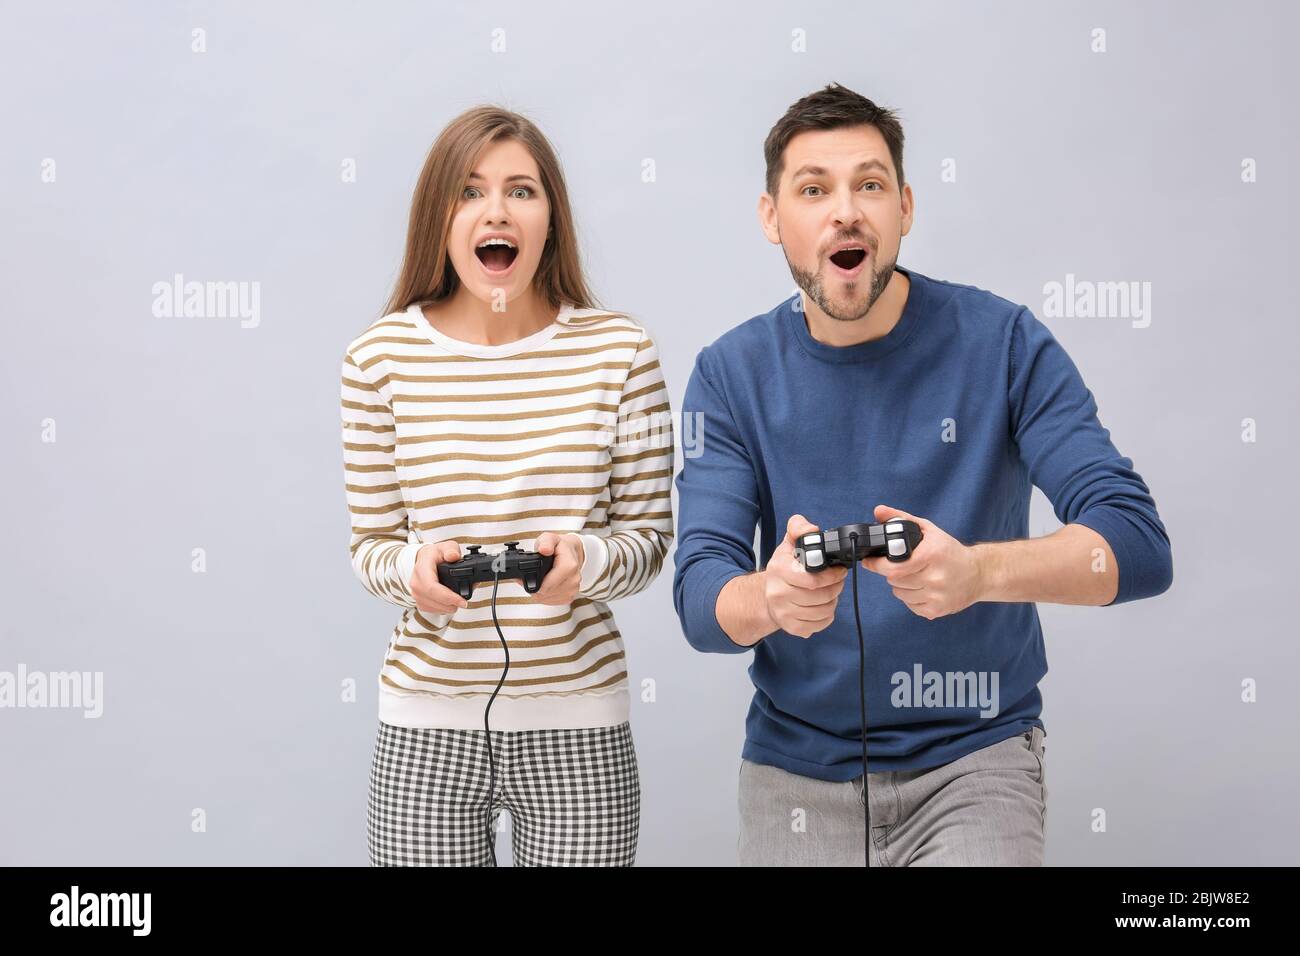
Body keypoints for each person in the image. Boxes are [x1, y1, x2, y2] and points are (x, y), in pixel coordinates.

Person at [671, 83, 1173, 866]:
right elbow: (701, 604)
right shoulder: (729, 374)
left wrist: (977, 571)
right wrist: (769, 597)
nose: (845, 212)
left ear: (904, 206)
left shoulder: (1003, 342)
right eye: (813, 190)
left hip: (976, 762)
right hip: (794, 776)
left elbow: (1136, 547)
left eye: (869, 185)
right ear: (772, 218)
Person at [340, 106, 674, 866]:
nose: (496, 211)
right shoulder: (377, 359)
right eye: (469, 191)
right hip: (426, 729)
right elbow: (371, 548)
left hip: (580, 727)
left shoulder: (621, 350)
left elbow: (651, 542)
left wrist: (583, 562)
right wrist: (413, 573)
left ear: (551, 217)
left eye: (521, 190)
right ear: (439, 217)